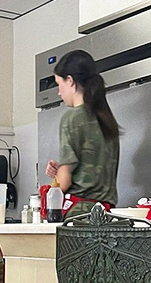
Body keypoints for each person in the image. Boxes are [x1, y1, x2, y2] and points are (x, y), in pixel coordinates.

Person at [46, 50, 120, 217]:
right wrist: (61, 168)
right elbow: (92, 168)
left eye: (59, 84)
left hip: (78, 215)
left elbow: (64, 182)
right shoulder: (106, 119)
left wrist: (49, 191)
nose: (59, 92)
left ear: (70, 81)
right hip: (106, 214)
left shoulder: (71, 118)